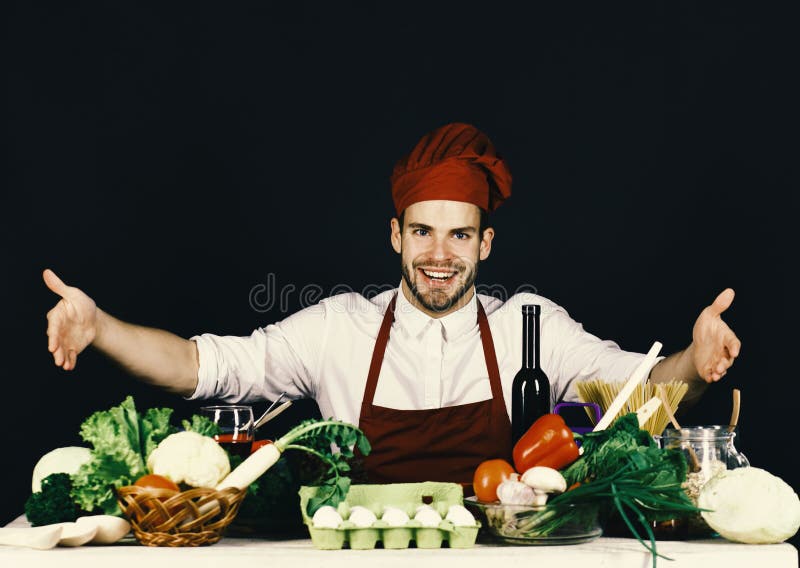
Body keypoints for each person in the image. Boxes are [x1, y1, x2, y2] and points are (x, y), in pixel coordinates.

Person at [43, 123, 741, 484]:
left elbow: (639, 395)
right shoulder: (337, 326)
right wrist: (99, 326)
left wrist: (694, 357)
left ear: (486, 244)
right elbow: (202, 366)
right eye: (423, 232)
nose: (440, 254)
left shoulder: (532, 325)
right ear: (395, 235)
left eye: (459, 234)